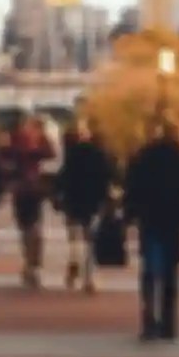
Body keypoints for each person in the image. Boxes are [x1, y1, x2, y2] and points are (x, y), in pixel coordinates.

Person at [123, 120, 179, 341]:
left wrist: (129, 216)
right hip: (173, 223)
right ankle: (169, 323)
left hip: (150, 220)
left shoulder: (143, 158)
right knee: (171, 274)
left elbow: (132, 188)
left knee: (150, 270)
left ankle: (149, 320)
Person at [58, 119, 113, 293]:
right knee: (90, 239)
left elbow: (64, 176)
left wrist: (59, 195)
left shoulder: (73, 154)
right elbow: (108, 177)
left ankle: (74, 260)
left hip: (73, 198)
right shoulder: (101, 155)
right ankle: (88, 277)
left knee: (74, 234)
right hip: (94, 200)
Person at [3, 115, 57, 288]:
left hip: (26, 187)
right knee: (30, 226)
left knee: (28, 226)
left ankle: (31, 262)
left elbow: (5, 157)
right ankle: (32, 262)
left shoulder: (22, 140)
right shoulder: (28, 140)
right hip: (31, 186)